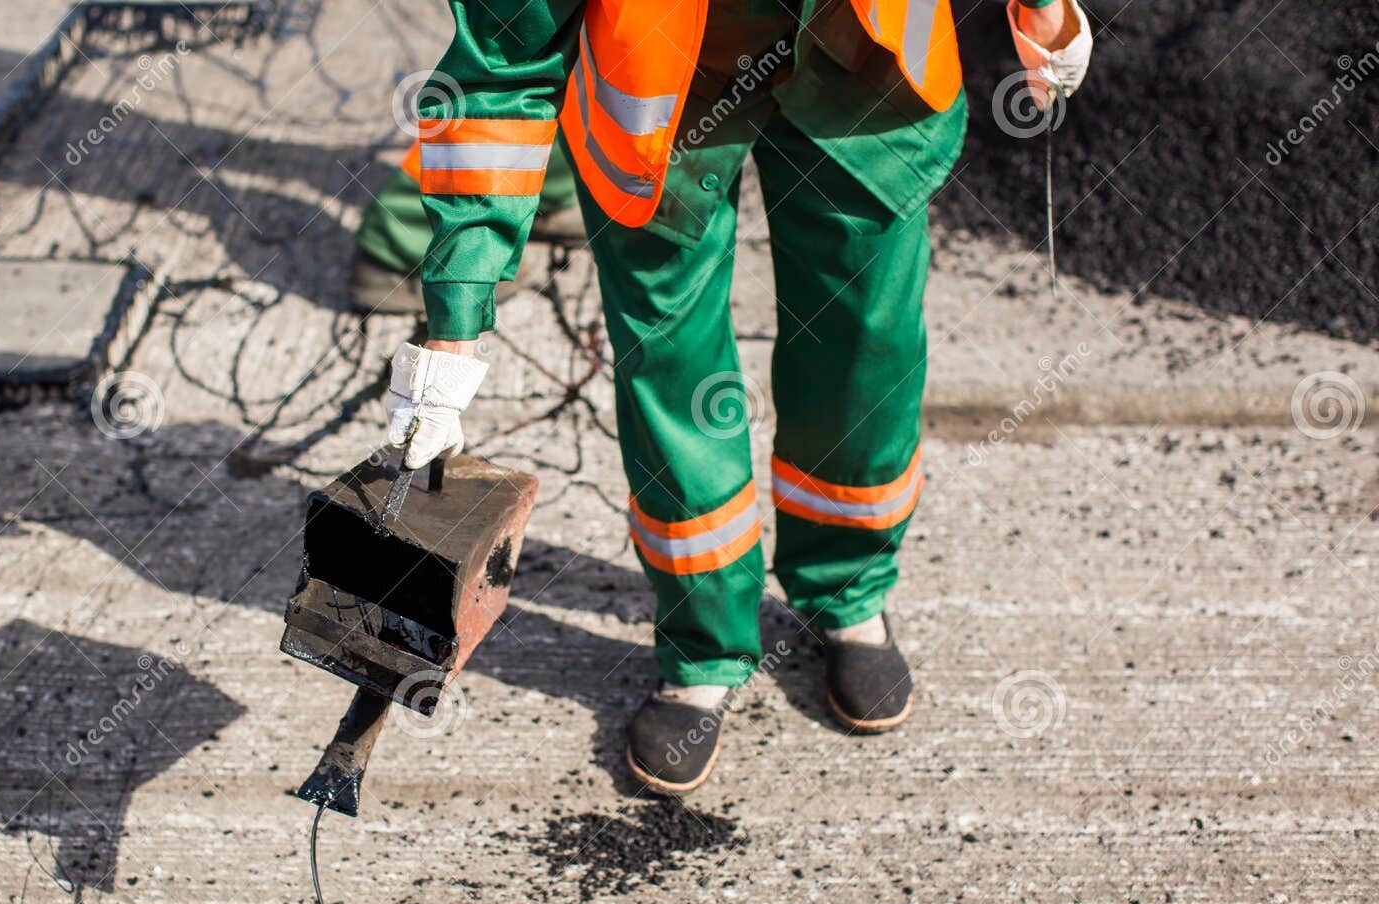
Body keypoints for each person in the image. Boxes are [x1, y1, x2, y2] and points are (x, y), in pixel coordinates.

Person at [379, 0, 1093, 794]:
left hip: (867, 61)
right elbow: (501, 69)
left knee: (864, 340)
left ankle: (847, 588)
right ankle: (703, 641)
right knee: (672, 363)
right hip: (664, 92)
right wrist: (451, 335)